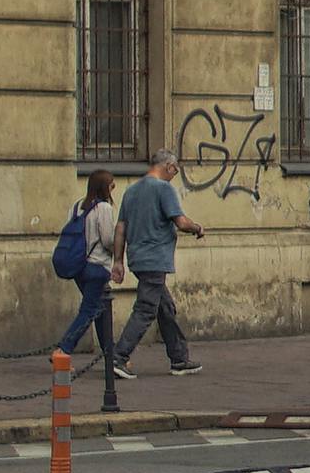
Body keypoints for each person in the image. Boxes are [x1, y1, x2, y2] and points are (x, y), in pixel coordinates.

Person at [111, 152, 205, 380]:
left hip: (138, 258)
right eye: (176, 170)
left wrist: (118, 261)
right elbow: (180, 222)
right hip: (155, 258)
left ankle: (179, 359)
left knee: (166, 309)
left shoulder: (131, 191)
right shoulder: (163, 189)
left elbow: (121, 228)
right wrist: (197, 228)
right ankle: (118, 357)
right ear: (169, 166)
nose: (175, 175)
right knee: (145, 309)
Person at [52, 169, 124, 365]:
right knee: (89, 309)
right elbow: (108, 240)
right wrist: (121, 242)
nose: (113, 189)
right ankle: (63, 349)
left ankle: (112, 356)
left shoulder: (76, 207)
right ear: (105, 187)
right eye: (111, 185)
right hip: (97, 266)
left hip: (79, 266)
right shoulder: (104, 209)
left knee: (99, 309)